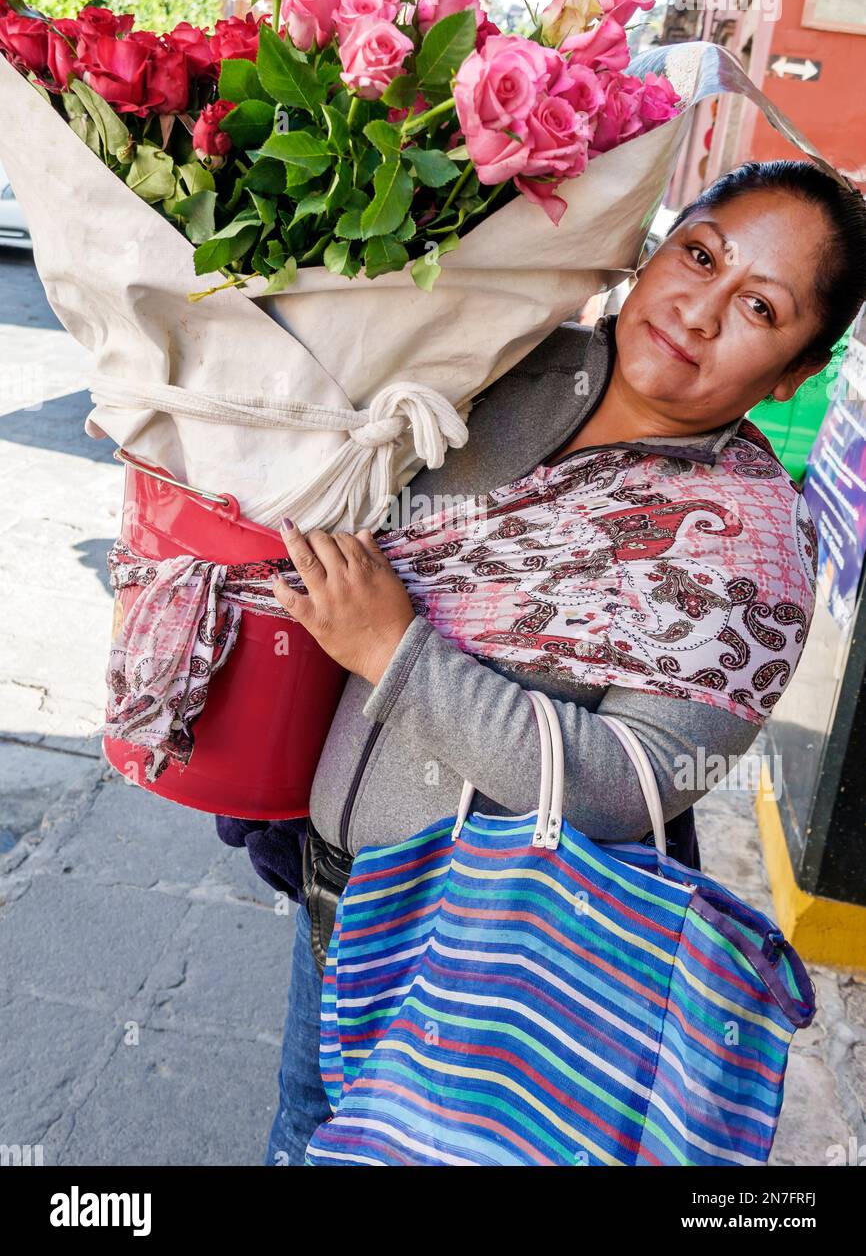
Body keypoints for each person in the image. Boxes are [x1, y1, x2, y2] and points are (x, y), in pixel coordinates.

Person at [225, 158, 866, 1164]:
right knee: (302, 1132)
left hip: (489, 956)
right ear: (654, 248)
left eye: (758, 308)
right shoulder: (495, 360)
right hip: (335, 894)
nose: (698, 311)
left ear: (795, 373)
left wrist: (393, 649)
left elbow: (624, 785)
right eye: (700, 255)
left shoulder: (752, 549)